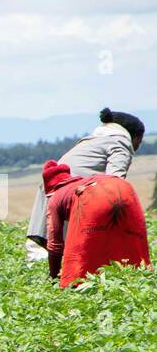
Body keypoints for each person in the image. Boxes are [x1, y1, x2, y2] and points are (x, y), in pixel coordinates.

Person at [26, 108, 145, 261]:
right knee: (75, 259)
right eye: (139, 142)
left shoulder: (90, 141)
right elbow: (115, 184)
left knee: (43, 255)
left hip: (52, 195)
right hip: (72, 197)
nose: (138, 147)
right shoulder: (121, 141)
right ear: (134, 136)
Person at [41, 159, 149, 288]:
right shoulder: (82, 183)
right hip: (124, 187)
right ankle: (141, 279)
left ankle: (78, 287)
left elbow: (54, 244)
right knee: (128, 239)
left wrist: (54, 276)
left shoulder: (55, 197)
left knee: (80, 254)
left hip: (93, 196)